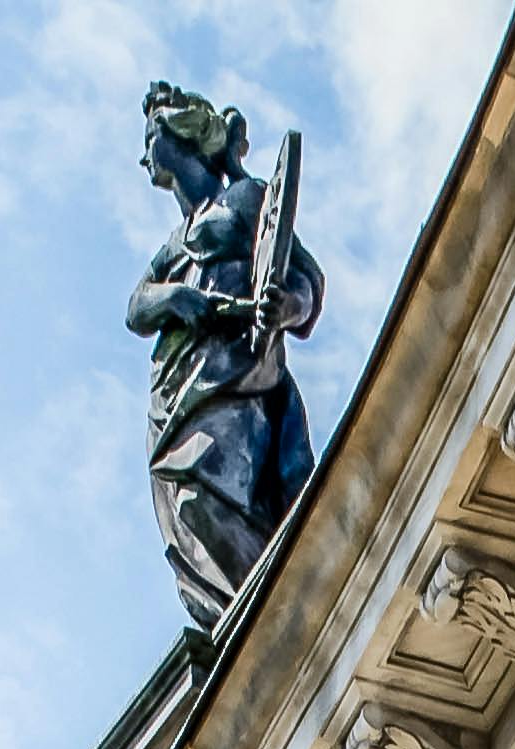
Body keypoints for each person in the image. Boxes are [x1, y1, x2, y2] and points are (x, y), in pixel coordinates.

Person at [134, 84, 323, 626]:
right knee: (186, 518)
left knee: (207, 498)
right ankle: (247, 622)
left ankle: (280, 619)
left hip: (237, 375)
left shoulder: (244, 199)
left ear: (182, 136)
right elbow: (135, 307)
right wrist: (173, 296)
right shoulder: (173, 244)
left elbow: (303, 279)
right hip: (176, 390)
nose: (145, 153)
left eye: (152, 137)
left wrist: (286, 307)